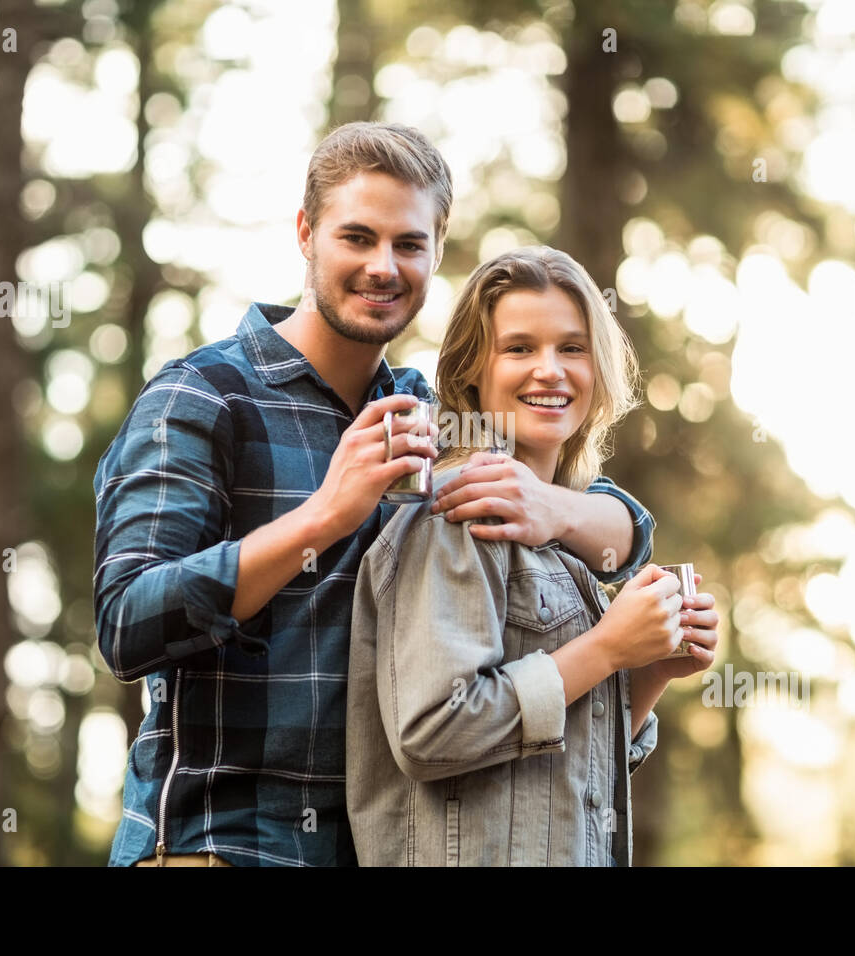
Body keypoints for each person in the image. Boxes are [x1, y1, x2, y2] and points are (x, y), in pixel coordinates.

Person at [92, 123, 658, 867]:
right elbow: (128, 622)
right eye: (357, 237)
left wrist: (563, 510)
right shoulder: (203, 398)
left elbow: (617, 520)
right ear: (306, 233)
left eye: (409, 244)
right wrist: (326, 514)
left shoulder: (428, 415)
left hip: (375, 848)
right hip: (221, 848)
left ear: (435, 252)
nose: (383, 266)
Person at [347, 247, 719, 866]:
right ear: (474, 373)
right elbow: (432, 732)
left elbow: (559, 772)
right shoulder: (460, 513)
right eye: (519, 348)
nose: (550, 370)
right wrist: (606, 650)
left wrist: (646, 673)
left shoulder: (563, 538)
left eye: (572, 348)